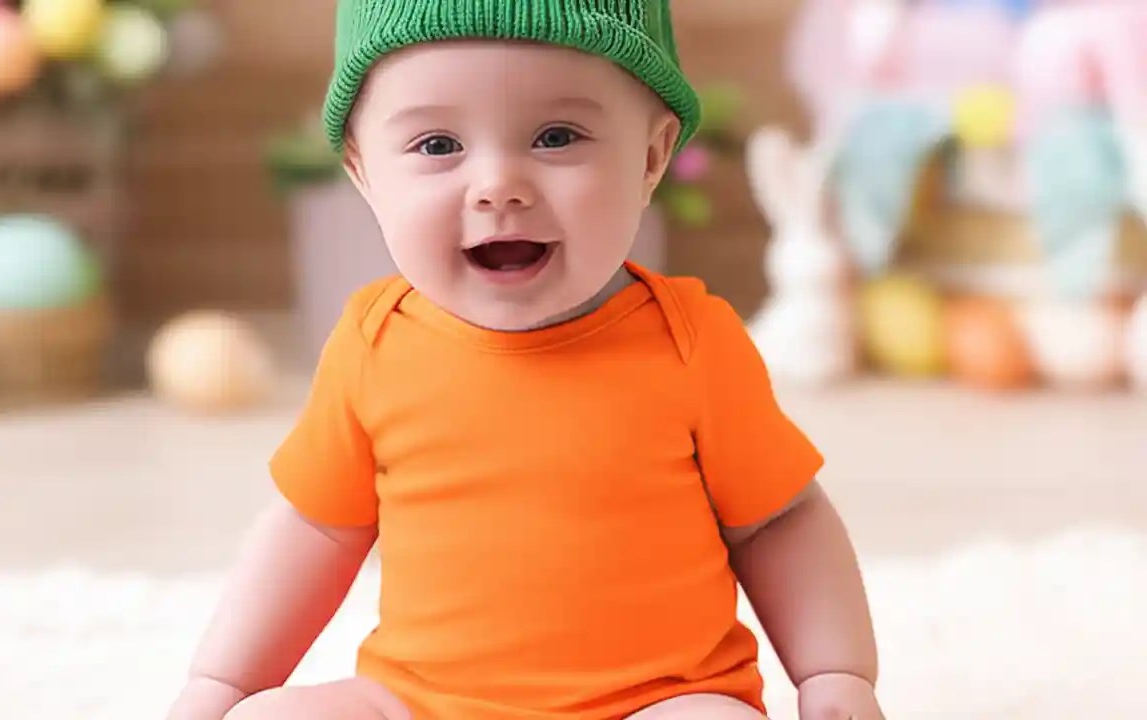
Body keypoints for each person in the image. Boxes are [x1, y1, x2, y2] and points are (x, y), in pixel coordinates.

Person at [167, 1, 884, 718]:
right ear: (362, 171)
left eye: (556, 136)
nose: (498, 185)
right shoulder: (375, 341)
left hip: (655, 701)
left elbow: (778, 521)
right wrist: (223, 685)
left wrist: (834, 674)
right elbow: (317, 528)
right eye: (437, 144)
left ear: (650, 156)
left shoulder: (689, 342)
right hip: (419, 705)